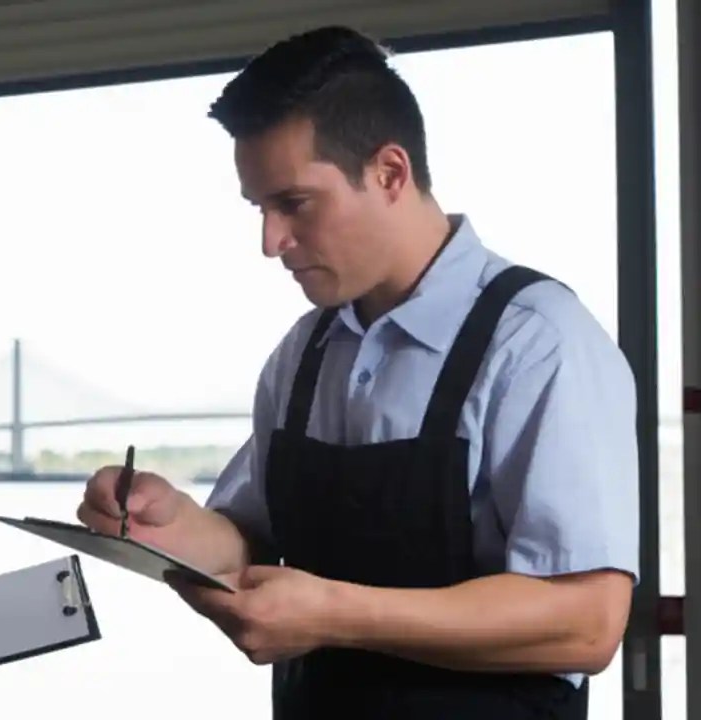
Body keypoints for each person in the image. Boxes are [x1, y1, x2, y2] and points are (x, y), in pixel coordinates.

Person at [77, 25, 637, 719]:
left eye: (294, 205)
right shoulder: (301, 354)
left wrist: (337, 615)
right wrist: (167, 525)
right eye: (260, 209)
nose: (270, 242)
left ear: (390, 173)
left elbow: (587, 623)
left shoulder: (539, 344)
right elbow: (249, 538)